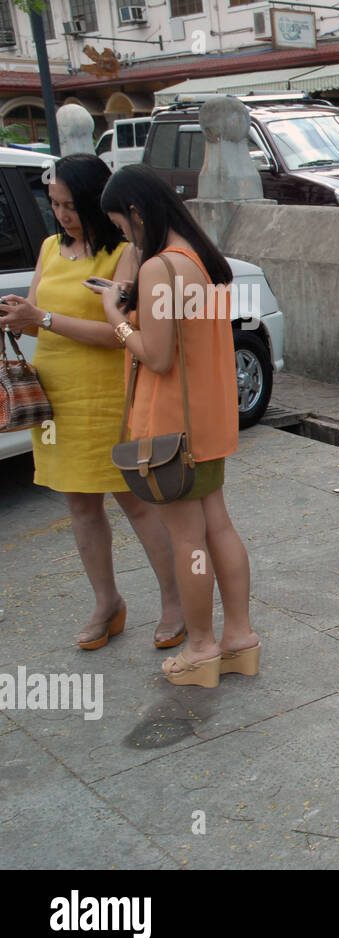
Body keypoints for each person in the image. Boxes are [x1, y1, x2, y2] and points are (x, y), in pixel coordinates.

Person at [0, 154, 186, 652]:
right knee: (80, 506)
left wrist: (40, 319)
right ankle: (107, 602)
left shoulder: (125, 254)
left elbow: (118, 332)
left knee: (137, 502)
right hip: (55, 390)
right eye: (55, 204)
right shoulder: (48, 247)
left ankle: (175, 602)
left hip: (106, 391)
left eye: (71, 205)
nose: (62, 215)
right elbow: (38, 305)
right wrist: (19, 315)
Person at [98, 164, 261, 688]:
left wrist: (115, 316)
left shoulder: (159, 268)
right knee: (219, 527)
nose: (124, 236)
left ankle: (200, 647)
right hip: (207, 422)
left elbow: (158, 356)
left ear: (138, 213)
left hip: (169, 428)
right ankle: (239, 639)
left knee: (188, 540)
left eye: (123, 227)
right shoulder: (200, 259)